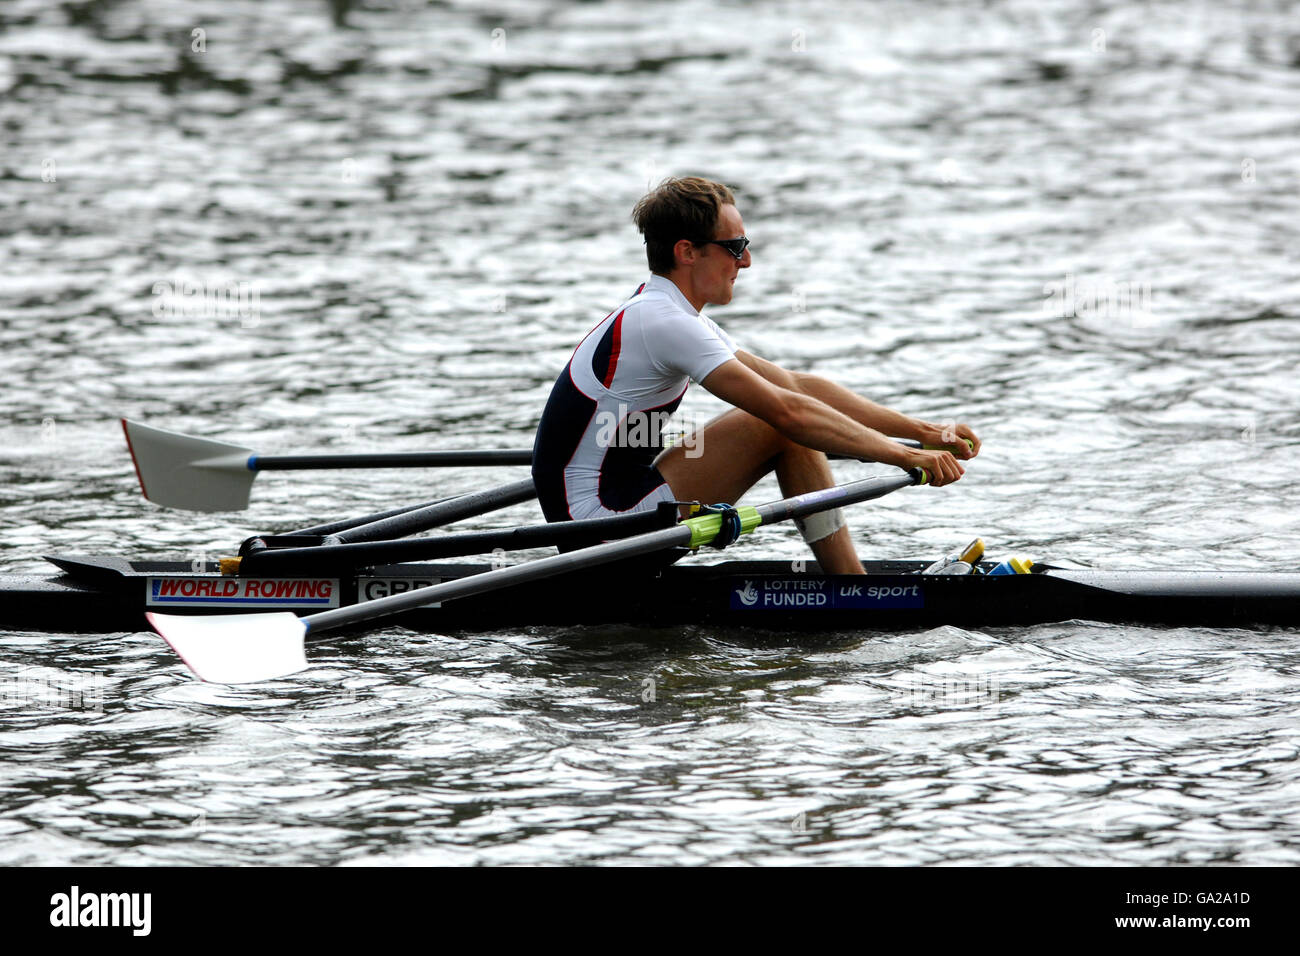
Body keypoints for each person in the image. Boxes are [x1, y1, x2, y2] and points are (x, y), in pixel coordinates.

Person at [531, 176, 979, 574]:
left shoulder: (667, 312)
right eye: (735, 247)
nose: (745, 263)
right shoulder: (662, 321)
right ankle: (851, 587)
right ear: (686, 252)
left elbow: (798, 386)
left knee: (788, 416)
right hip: (598, 531)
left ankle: (848, 583)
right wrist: (903, 457)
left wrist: (926, 433)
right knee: (776, 423)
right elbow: (788, 411)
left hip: (619, 500)